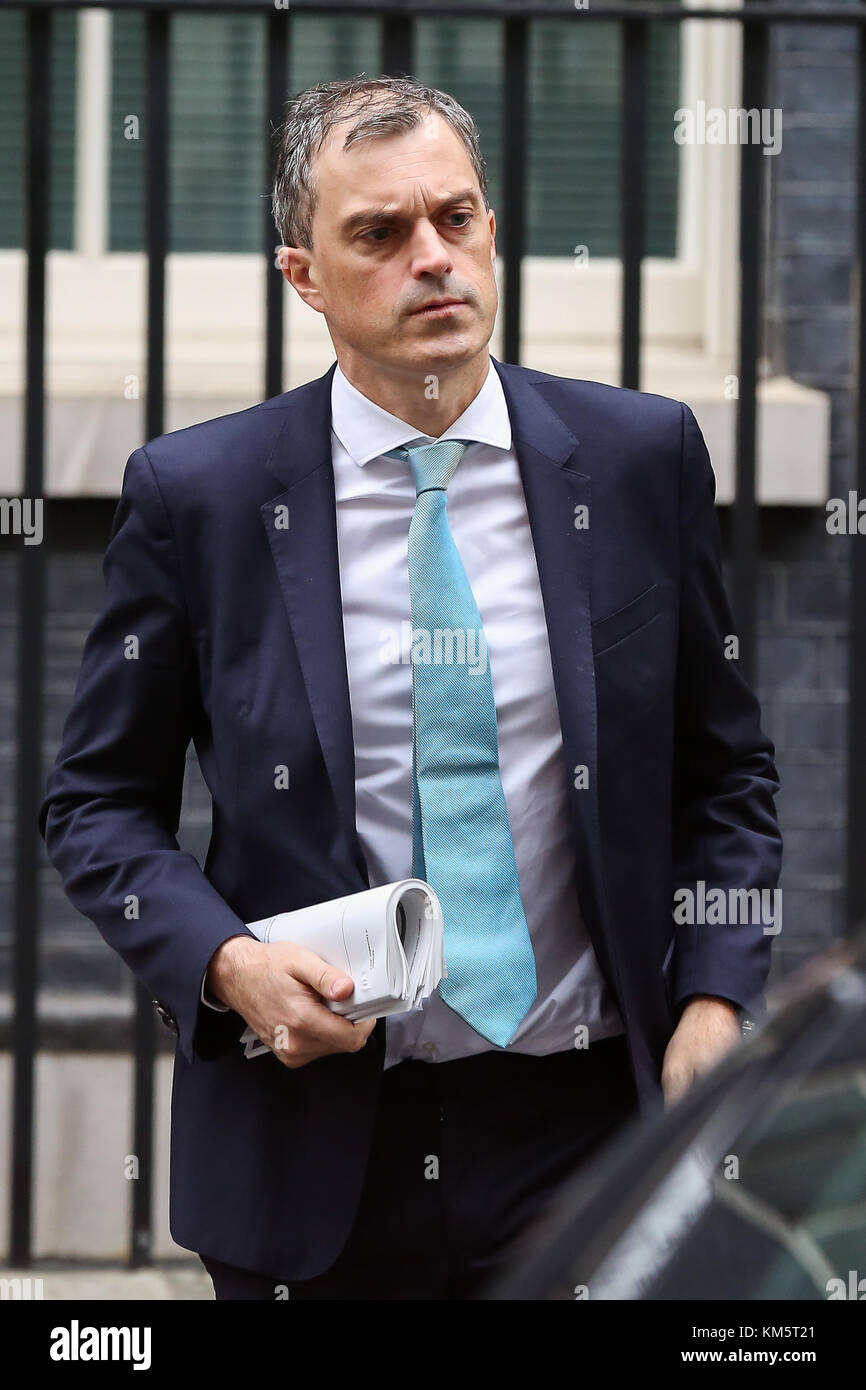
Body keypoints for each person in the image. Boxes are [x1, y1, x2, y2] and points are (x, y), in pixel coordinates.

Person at [39, 74, 782, 1300]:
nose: (431, 258)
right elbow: (96, 805)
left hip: (591, 1129)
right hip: (316, 1145)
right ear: (304, 275)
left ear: (492, 231)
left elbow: (726, 769)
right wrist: (225, 964)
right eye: (379, 234)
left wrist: (711, 997)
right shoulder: (202, 498)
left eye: (456, 218)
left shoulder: (638, 460)